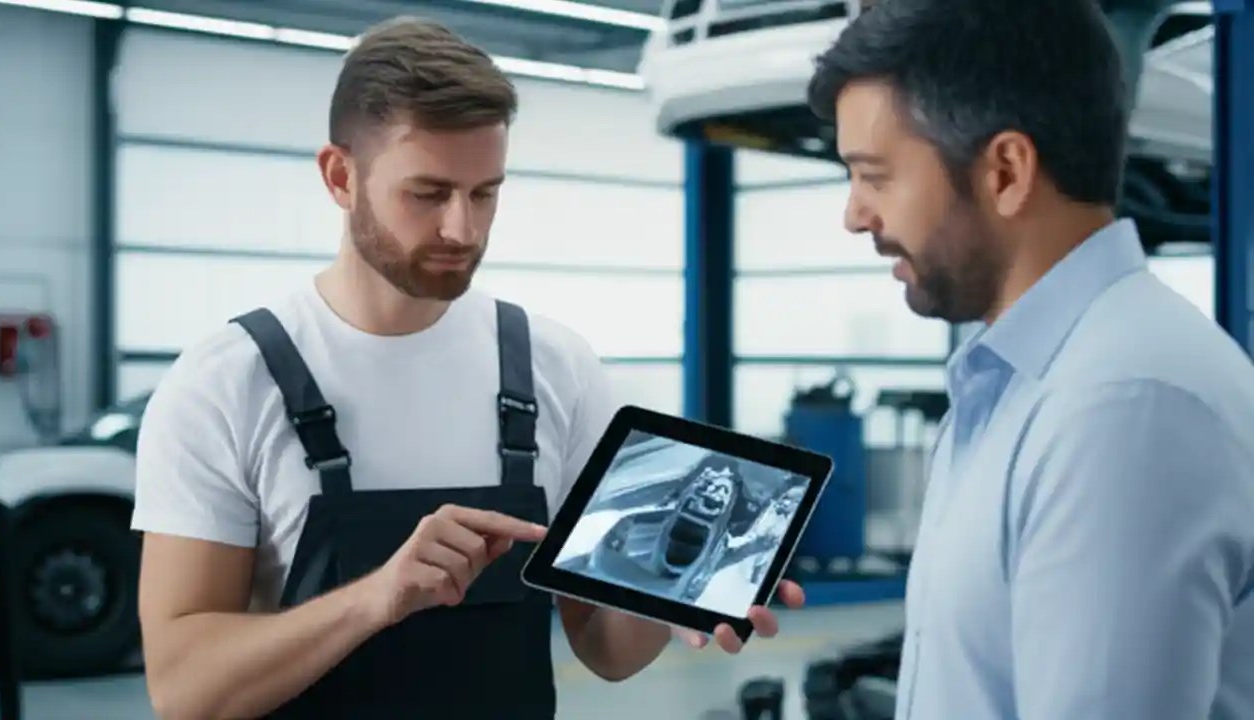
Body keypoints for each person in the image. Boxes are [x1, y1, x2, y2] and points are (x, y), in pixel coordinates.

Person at [130, 16, 803, 720]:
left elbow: (605, 650)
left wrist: (676, 592)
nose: (464, 230)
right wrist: (374, 598)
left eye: (485, 193)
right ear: (339, 176)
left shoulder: (555, 367)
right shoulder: (225, 384)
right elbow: (186, 690)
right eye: (428, 194)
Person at [808, 0, 1254, 718]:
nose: (855, 214)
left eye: (876, 176)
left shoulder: (1119, 408)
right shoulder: (1020, 382)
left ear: (1007, 171)